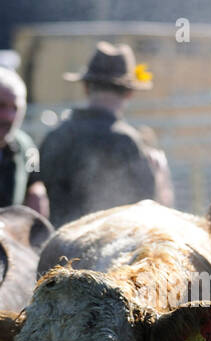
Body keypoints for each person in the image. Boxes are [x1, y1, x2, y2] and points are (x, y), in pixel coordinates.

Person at [39, 42, 159, 228]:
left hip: (58, 246)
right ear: (129, 93)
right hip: (112, 247)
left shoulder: (56, 136)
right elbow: (147, 205)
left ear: (86, 87)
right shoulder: (129, 142)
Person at [0, 64, 45, 215]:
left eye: (15, 108)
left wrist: (36, 193)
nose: (9, 116)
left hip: (9, 235)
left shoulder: (27, 147)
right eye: (0, 106)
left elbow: (34, 179)